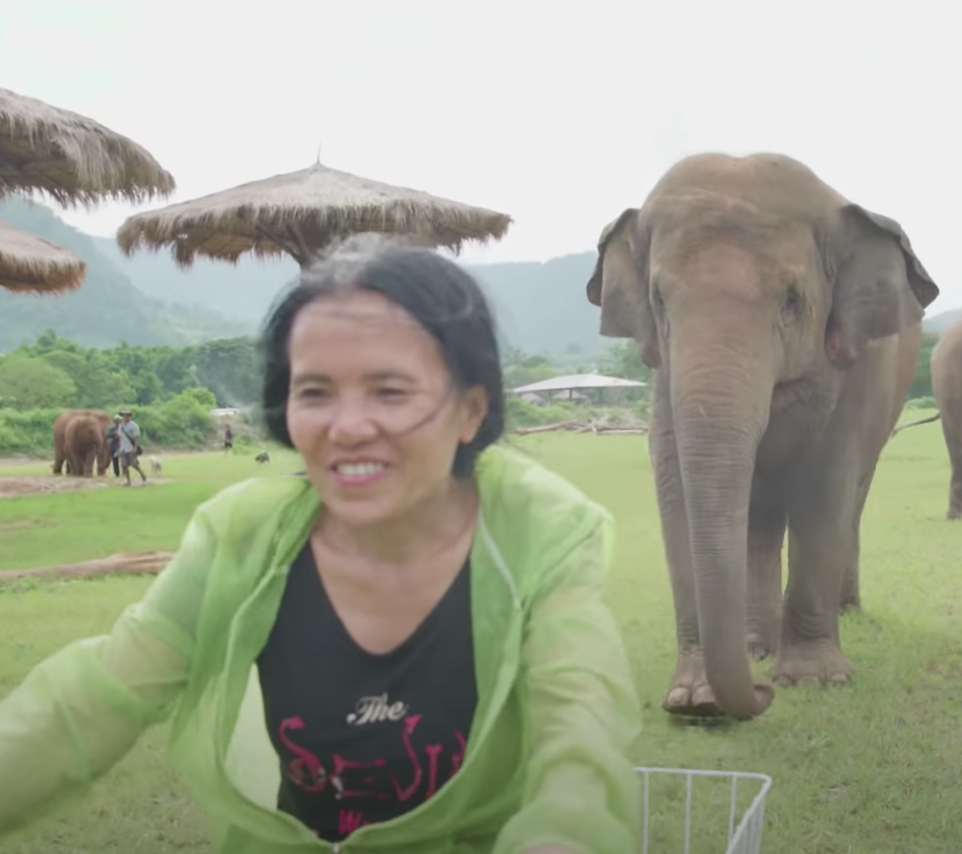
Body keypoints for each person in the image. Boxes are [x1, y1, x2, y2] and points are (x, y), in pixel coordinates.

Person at [0, 235, 643, 854]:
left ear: (471, 409)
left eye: (390, 391)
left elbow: (581, 730)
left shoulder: (540, 533)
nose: (348, 427)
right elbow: (94, 699)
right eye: (315, 392)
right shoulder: (243, 536)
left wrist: (567, 834)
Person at [117, 408, 147, 486]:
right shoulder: (121, 426)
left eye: (126, 415)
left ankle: (142, 474)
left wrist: (135, 448)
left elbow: (136, 438)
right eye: (124, 415)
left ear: (129, 416)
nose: (125, 417)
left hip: (131, 448)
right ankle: (128, 481)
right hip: (123, 448)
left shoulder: (134, 425)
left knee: (134, 465)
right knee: (124, 465)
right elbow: (121, 438)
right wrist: (120, 448)